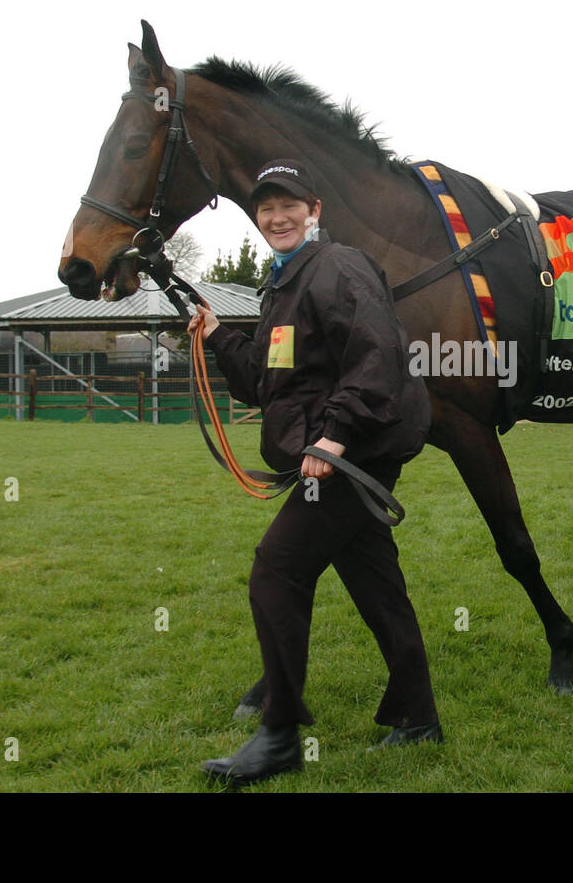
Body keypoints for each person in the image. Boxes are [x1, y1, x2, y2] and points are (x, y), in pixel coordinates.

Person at [189, 158, 441, 788]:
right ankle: (418, 716)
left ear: (314, 211)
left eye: (288, 206)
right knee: (376, 584)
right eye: (265, 209)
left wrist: (334, 436)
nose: (276, 217)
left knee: (277, 570)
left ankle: (278, 736)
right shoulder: (283, 284)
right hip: (332, 456)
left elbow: (377, 352)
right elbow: (265, 384)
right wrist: (219, 335)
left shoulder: (337, 267)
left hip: (347, 459)